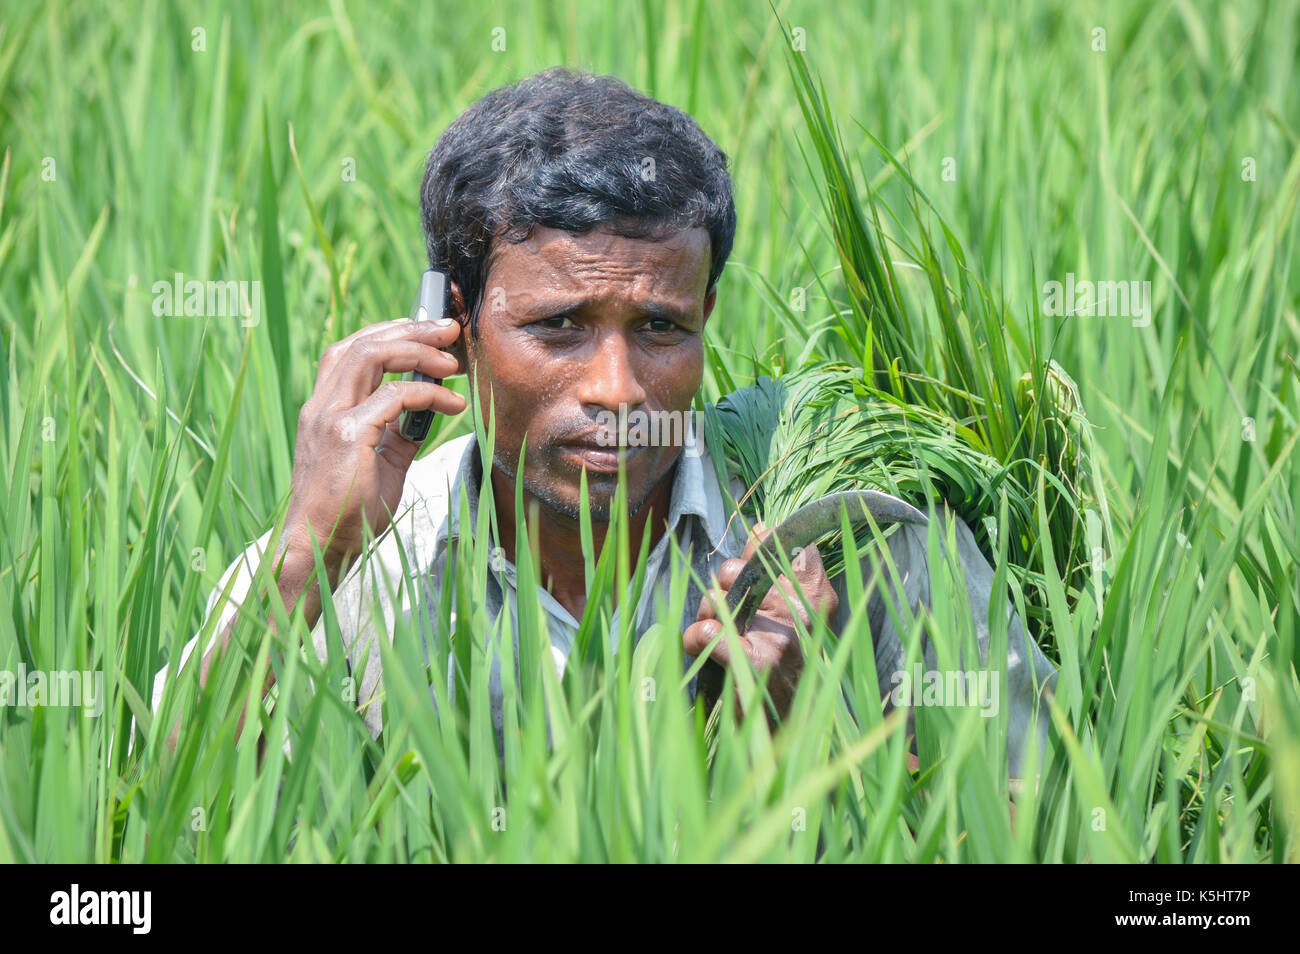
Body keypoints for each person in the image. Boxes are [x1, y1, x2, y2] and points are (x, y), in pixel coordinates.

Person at [152, 67, 1056, 776]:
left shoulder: (855, 545)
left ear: (707, 312)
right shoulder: (358, 559)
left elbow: (1042, 820)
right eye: (558, 327)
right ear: (452, 327)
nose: (618, 389)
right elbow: (151, 816)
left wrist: (810, 755)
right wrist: (307, 552)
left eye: (661, 327)